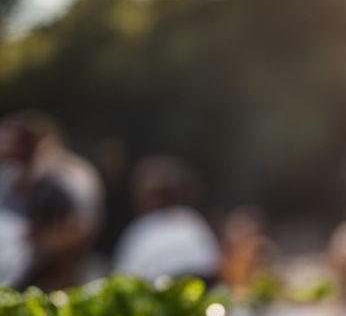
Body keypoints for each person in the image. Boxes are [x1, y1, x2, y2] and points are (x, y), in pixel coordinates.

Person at [0, 111, 102, 289]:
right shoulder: (11, 176)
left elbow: (79, 228)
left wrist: (42, 242)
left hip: (60, 273)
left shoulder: (66, 176)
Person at [113, 156, 220, 280]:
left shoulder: (192, 225)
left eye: (158, 194)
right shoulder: (139, 230)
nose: (150, 201)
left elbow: (210, 269)